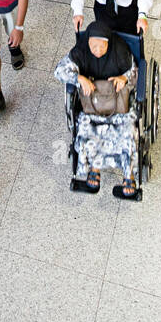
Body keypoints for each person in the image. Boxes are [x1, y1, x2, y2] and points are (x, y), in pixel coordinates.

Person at [54, 21, 140, 198]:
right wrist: (78, 78)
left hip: (118, 107)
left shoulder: (121, 51)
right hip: (91, 107)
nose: (97, 51)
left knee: (128, 131)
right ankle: (94, 167)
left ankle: (128, 174)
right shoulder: (81, 51)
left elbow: (135, 72)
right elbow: (59, 71)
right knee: (86, 131)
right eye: (93, 46)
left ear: (109, 42)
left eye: (102, 47)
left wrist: (124, 78)